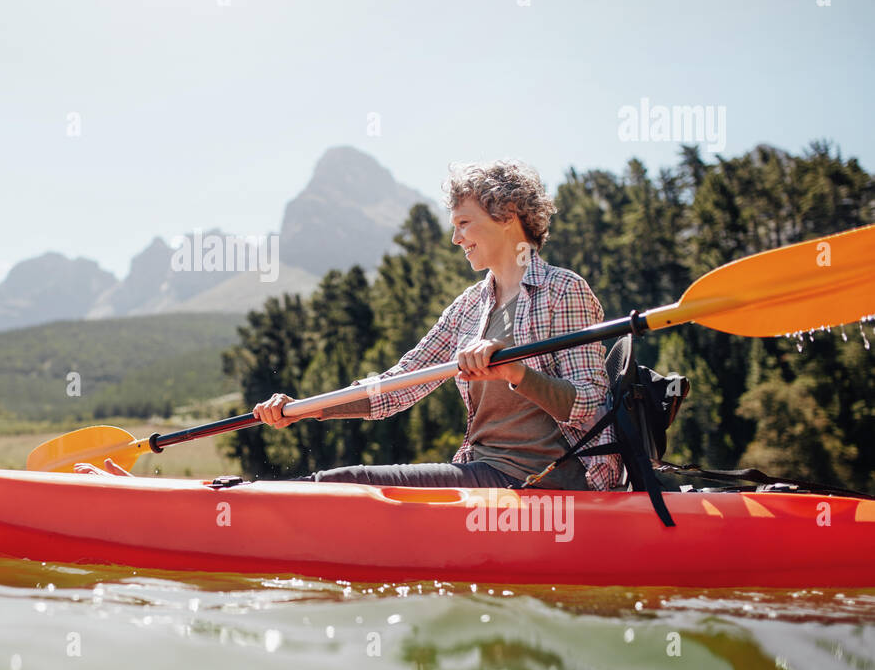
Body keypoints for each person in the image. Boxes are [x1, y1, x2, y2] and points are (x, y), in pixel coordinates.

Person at [76, 159, 622, 492]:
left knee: (349, 482)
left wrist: (516, 372)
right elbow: (392, 391)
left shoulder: (563, 291)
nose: (456, 238)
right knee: (346, 481)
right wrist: (301, 410)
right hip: (482, 472)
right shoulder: (468, 307)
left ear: (507, 218)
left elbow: (590, 409)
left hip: (542, 482)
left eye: (465, 224)